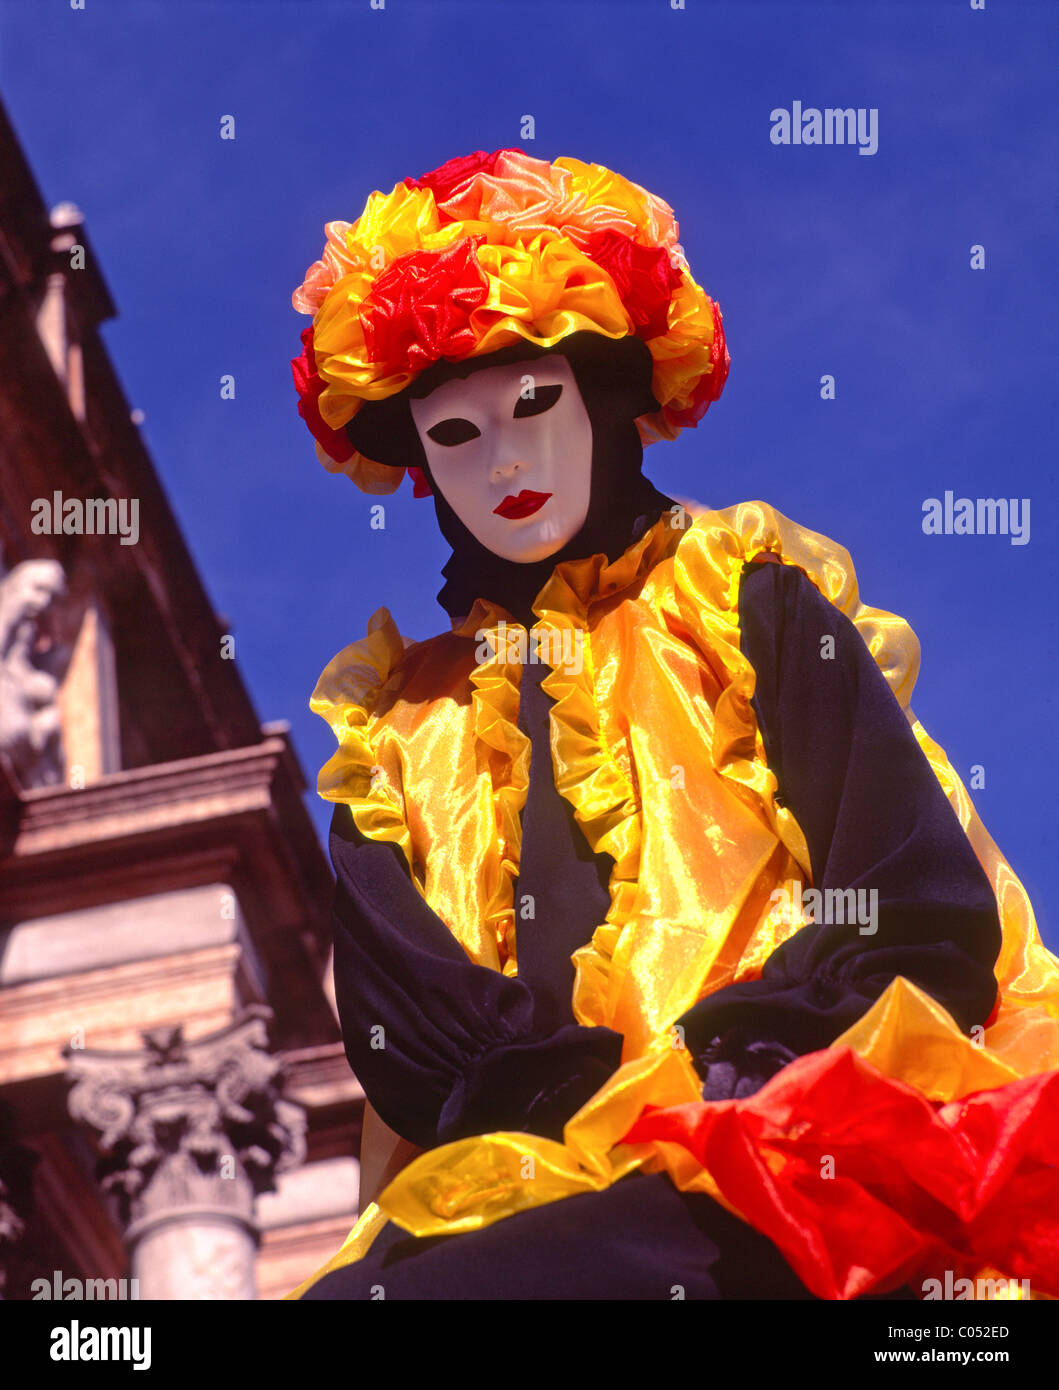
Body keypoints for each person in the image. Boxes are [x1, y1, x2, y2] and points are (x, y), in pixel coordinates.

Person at [286, 150, 1059, 1300]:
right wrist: (550, 1095)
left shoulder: (736, 597)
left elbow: (917, 907)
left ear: (602, 398)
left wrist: (737, 1063)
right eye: (454, 434)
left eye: (534, 404)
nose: (502, 460)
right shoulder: (399, 726)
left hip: (788, 1139)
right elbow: (406, 1030)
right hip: (521, 1183)